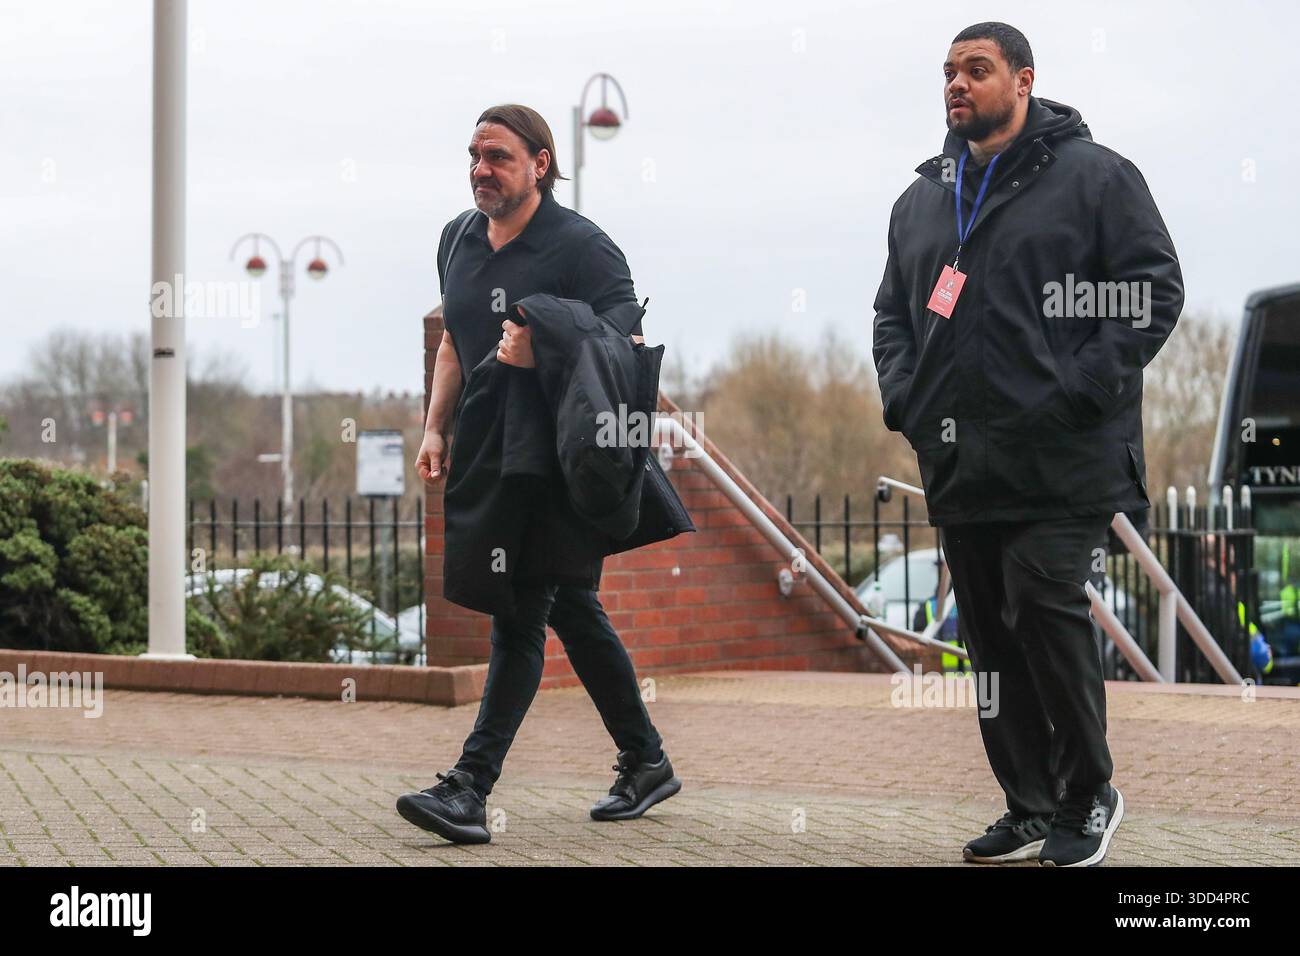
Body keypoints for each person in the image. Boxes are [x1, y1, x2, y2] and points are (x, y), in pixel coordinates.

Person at [872, 23, 1183, 866]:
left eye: (976, 70)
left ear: (1024, 79)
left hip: (1064, 454)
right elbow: (892, 314)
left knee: (1043, 607)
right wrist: (904, 397)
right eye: (947, 73)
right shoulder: (924, 199)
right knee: (989, 639)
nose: (956, 85)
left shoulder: (1095, 178)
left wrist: (1079, 388)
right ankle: (1029, 801)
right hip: (962, 456)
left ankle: (1089, 793)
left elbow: (1152, 289)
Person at [395, 105, 682, 845]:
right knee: (571, 609)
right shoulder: (457, 240)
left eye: (497, 156)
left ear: (540, 164)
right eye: (473, 155)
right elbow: (457, 342)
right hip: (493, 450)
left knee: (520, 612)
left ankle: (468, 788)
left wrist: (545, 340)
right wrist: (434, 425)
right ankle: (646, 760)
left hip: (560, 458)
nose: (480, 169)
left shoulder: (583, 248)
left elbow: (629, 342)